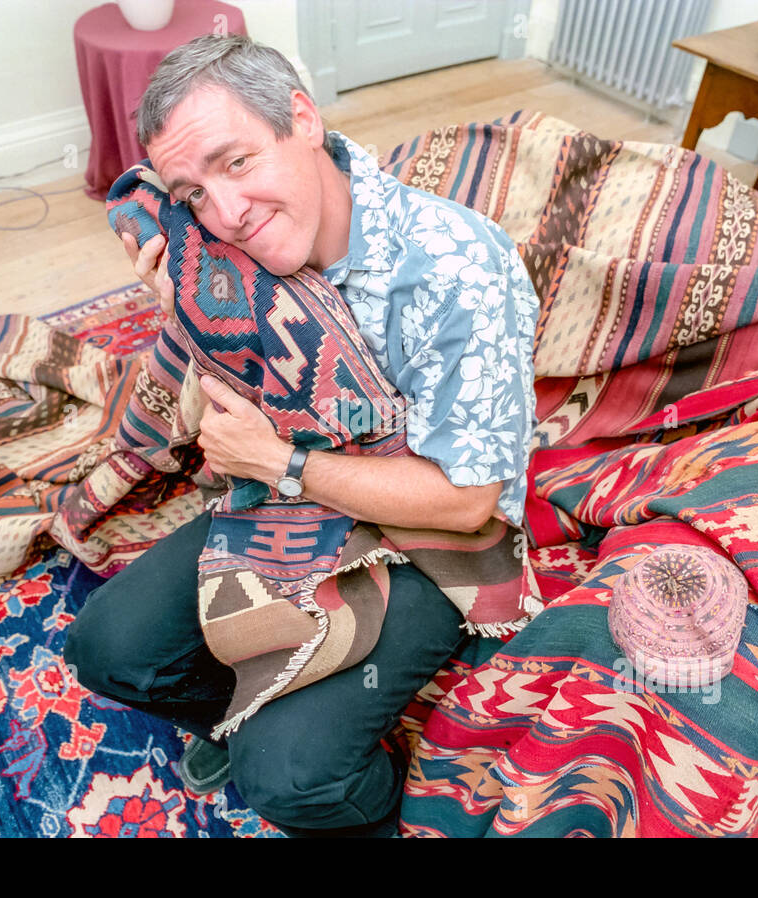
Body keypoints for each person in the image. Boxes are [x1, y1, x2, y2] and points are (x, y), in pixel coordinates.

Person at [63, 33, 539, 837]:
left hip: (423, 535)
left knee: (286, 780)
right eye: (193, 193)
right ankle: (238, 712)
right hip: (284, 499)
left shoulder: (455, 270)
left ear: (304, 120)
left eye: (237, 162)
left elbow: (466, 501)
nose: (226, 214)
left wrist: (279, 462)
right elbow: (189, 411)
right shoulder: (217, 251)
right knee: (106, 649)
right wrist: (183, 308)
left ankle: (379, 811)